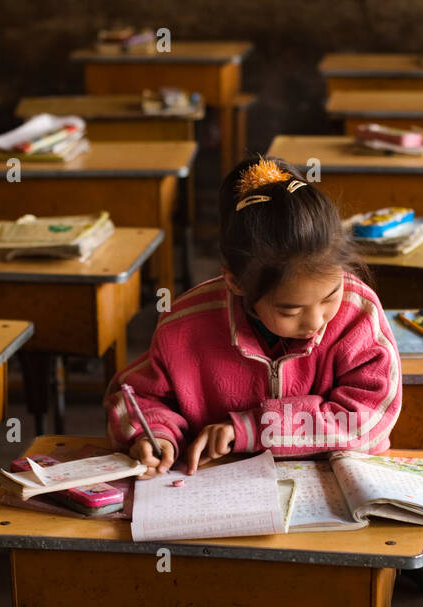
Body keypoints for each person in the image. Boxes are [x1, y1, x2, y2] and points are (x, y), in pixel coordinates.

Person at [106, 155, 402, 476]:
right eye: (290, 309)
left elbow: (368, 415)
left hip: (334, 483)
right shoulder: (185, 324)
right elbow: (139, 397)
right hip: (219, 490)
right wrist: (155, 434)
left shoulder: (358, 314)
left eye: (330, 296)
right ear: (235, 282)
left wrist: (255, 428)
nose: (316, 322)